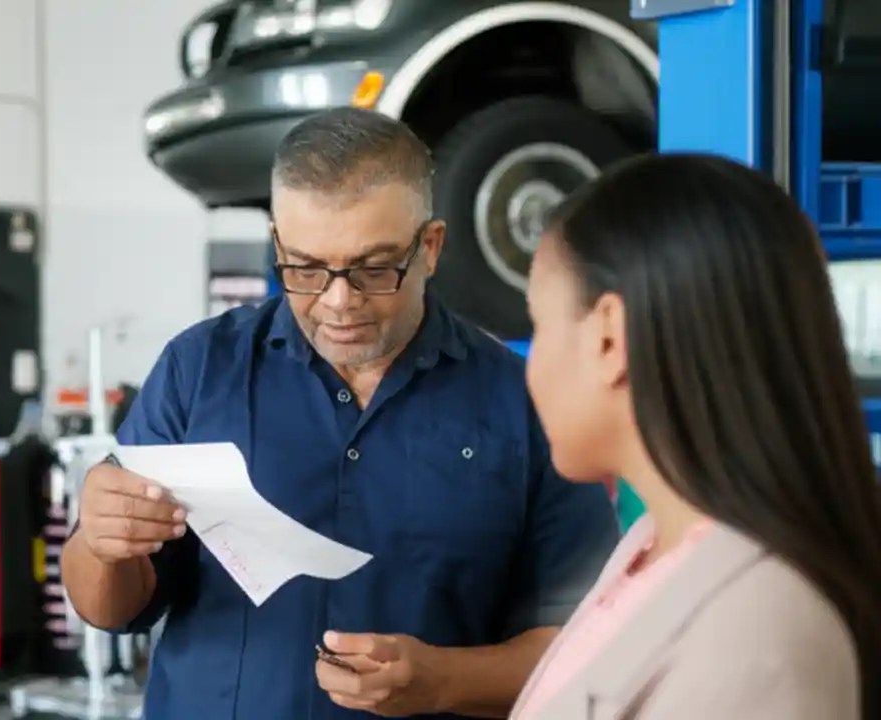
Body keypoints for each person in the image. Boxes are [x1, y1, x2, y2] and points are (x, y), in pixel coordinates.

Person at [60, 106, 620, 719]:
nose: (338, 301)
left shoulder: (526, 404)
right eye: (304, 268)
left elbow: (583, 652)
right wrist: (100, 544)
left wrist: (442, 681)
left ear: (430, 248)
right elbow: (110, 608)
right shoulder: (198, 371)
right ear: (278, 244)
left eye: (374, 269)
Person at [511, 153, 881, 719]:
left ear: (610, 338)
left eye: (539, 325)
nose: (530, 365)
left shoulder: (757, 635)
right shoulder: (650, 549)